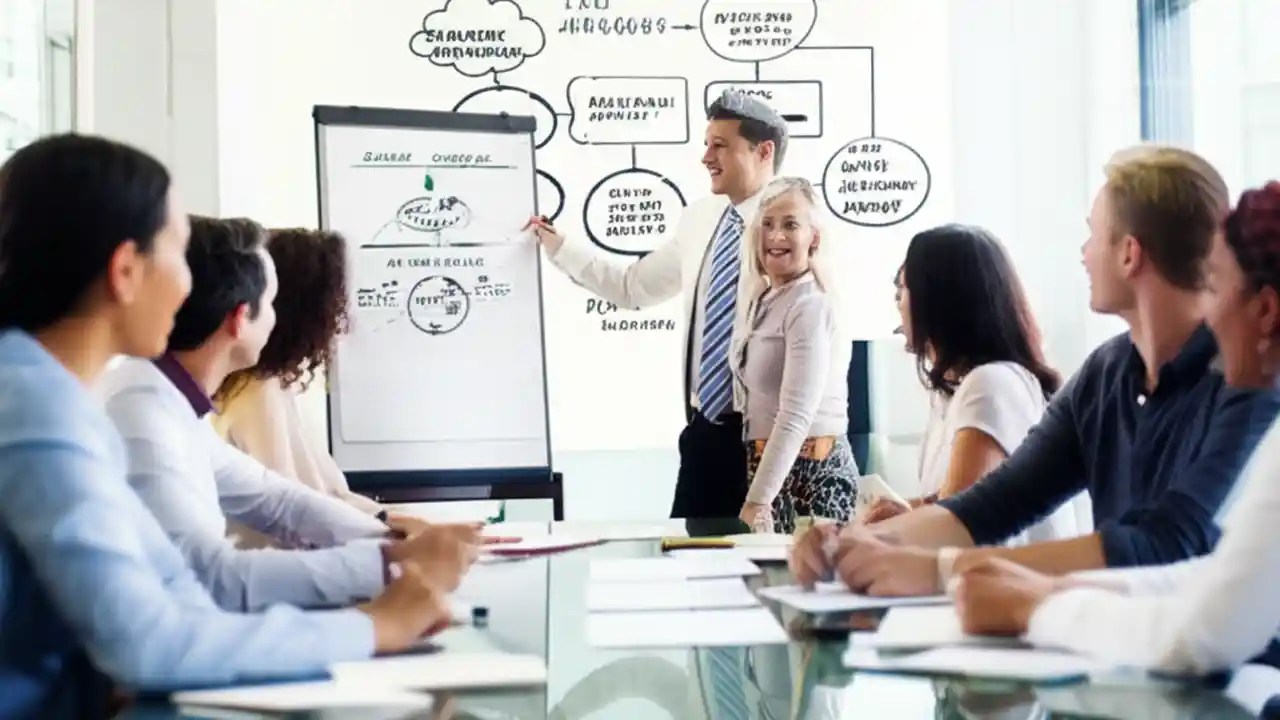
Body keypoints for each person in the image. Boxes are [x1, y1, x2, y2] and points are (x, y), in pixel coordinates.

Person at [0, 134, 453, 719]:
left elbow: (182, 594)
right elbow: (149, 642)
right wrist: (372, 628)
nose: (192, 287)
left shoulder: (54, 397)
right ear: (125, 270)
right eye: (177, 251)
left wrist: (377, 600)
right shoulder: (37, 409)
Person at [789, 144, 1280, 596]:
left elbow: (1170, 542)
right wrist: (846, 544)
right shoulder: (1105, 373)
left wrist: (941, 571)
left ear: (1129, 253)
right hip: (1130, 656)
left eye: (1092, 234)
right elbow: (994, 504)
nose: (1083, 254)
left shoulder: (1249, 376)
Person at [953, 181, 1280, 677]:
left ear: (1266, 310)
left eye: (1215, 286)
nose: (1207, 312)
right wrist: (1053, 589)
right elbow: (1218, 580)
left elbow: (1203, 635)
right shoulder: (1107, 371)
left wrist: (1036, 607)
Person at [98, 214, 479, 612]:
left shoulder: (169, 401)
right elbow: (209, 578)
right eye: (272, 304)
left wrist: (392, 544)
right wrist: (388, 564)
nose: (278, 319)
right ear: (240, 318)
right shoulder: (139, 410)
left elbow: (277, 499)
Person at [527, 89, 789, 520]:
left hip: (768, 443)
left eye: (719, 145)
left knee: (767, 576)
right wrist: (559, 246)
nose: (706, 157)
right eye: (706, 144)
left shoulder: (794, 228)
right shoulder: (702, 218)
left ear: (764, 152)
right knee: (688, 568)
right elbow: (634, 287)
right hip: (704, 437)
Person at [864, 224, 1089, 544]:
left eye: (902, 289)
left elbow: (957, 525)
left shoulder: (991, 383)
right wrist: (903, 511)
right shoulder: (954, 391)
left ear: (937, 298)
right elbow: (949, 502)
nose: (897, 303)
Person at [212, 227, 381, 515]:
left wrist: (396, 521)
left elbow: (327, 497)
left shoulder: (271, 384)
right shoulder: (256, 391)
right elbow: (295, 515)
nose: (343, 318)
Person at [731, 177, 858, 533]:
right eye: (767, 224)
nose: (776, 236)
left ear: (813, 236)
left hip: (813, 478)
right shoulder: (765, 298)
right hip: (774, 471)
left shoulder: (810, 303)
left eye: (790, 225)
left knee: (807, 587)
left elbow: (797, 414)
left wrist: (757, 501)